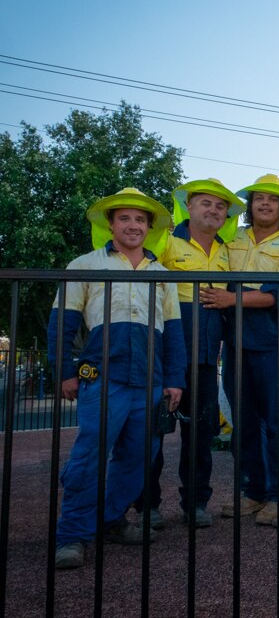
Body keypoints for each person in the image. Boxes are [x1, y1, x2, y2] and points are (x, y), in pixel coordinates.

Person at [48, 188, 186, 569]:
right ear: (110, 224)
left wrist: (175, 380)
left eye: (140, 220)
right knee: (89, 455)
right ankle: (72, 535)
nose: (133, 225)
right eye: (124, 218)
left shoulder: (162, 275)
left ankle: (109, 520)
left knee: (141, 458)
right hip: (102, 377)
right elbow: (62, 323)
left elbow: (173, 333)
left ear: (149, 227)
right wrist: (64, 372)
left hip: (151, 380)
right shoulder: (84, 264)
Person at [137, 178, 244, 529]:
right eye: (205, 203)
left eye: (219, 206)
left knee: (199, 433)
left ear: (226, 213)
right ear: (190, 207)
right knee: (153, 429)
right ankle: (146, 505)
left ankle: (196, 503)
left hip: (205, 354)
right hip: (166, 349)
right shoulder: (166, 242)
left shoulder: (228, 252)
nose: (212, 210)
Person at [201, 174, 279, 527]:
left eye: (272, 200)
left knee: (278, 422)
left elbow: (276, 294)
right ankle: (253, 492)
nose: (264, 204)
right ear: (250, 205)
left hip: (275, 342)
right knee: (243, 422)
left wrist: (231, 298)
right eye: (258, 198)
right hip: (235, 341)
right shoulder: (233, 237)